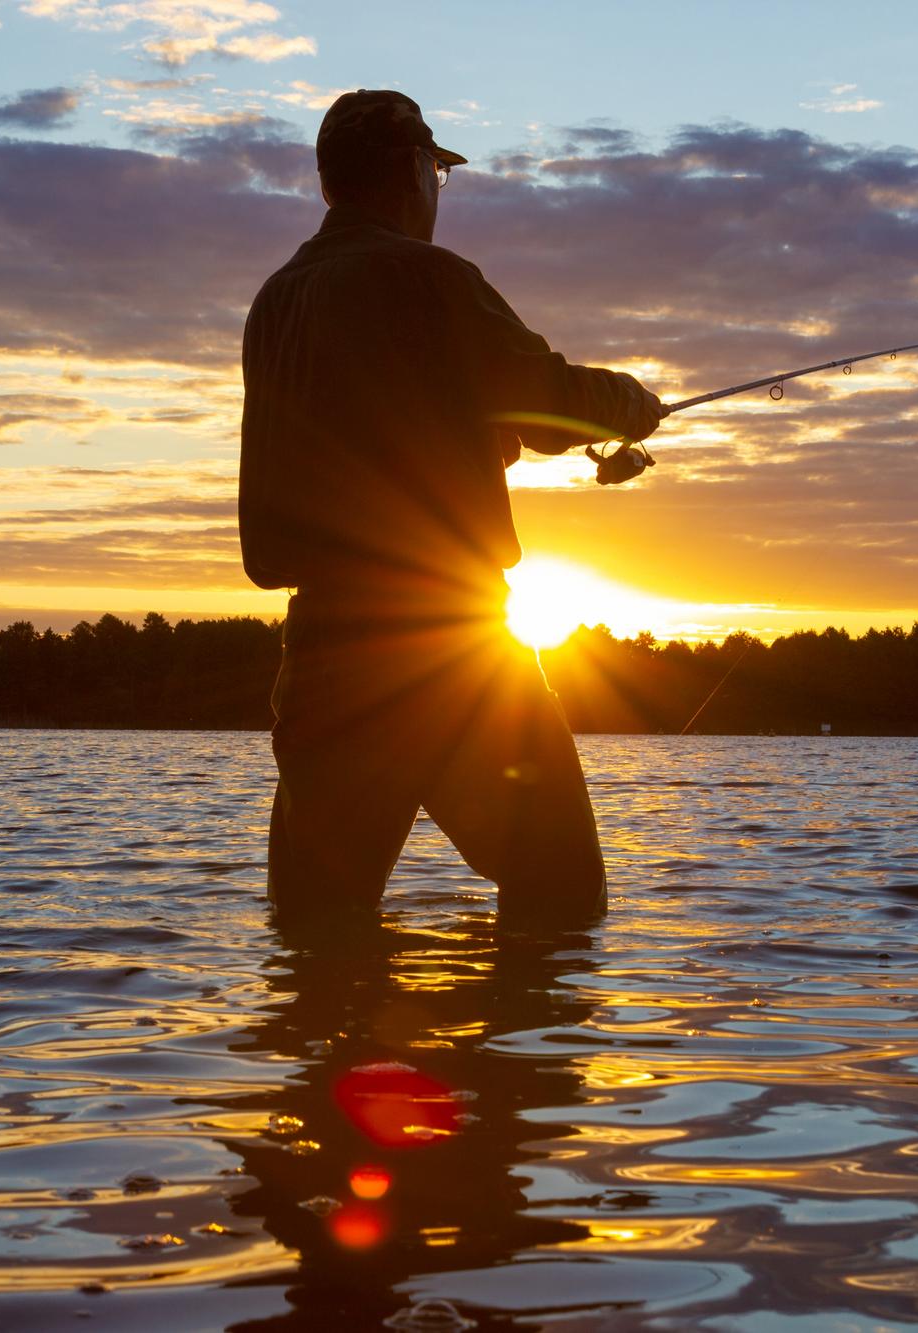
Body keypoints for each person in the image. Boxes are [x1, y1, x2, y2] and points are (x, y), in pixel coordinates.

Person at [240, 89, 661, 934]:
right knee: (563, 898)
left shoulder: (277, 300)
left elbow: (363, 432)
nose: (437, 186)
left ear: (330, 185)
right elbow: (547, 403)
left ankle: (329, 1054)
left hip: (324, 660)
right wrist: (626, 403)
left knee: (316, 929)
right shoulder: (429, 275)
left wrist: (475, 442)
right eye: (436, 168)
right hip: (451, 654)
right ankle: (521, 1060)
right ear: (409, 172)